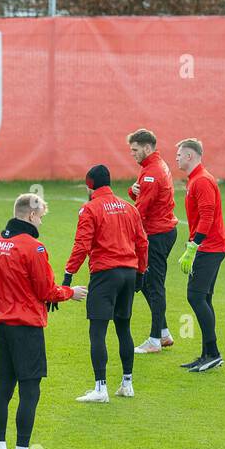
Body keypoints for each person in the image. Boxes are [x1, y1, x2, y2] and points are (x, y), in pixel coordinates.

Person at [0, 193, 86, 449]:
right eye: (41, 216)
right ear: (31, 216)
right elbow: (46, 290)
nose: (41, 221)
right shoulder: (34, 248)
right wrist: (70, 292)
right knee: (30, 390)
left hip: (3, 326)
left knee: (4, 389)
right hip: (27, 327)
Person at [63, 165, 148, 403]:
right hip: (129, 273)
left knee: (98, 331)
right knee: (124, 328)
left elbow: (81, 245)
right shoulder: (129, 208)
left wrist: (69, 274)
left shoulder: (89, 209)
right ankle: (127, 383)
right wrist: (141, 272)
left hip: (105, 274)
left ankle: (100, 388)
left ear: (90, 186)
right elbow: (142, 242)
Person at [174, 138, 225, 372]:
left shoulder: (202, 181)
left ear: (189, 156)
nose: (175, 158)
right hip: (209, 247)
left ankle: (213, 352)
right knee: (203, 298)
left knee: (195, 296)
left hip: (210, 248)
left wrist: (193, 247)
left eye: (179, 154)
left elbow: (207, 216)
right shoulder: (195, 180)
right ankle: (208, 353)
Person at [126, 129, 178, 353]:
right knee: (148, 283)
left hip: (156, 235)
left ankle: (155, 340)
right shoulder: (155, 166)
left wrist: (122, 228)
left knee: (154, 285)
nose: (132, 154)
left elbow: (141, 211)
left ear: (147, 148)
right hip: (162, 231)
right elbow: (143, 196)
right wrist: (132, 190)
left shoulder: (151, 172)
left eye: (135, 150)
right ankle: (164, 333)